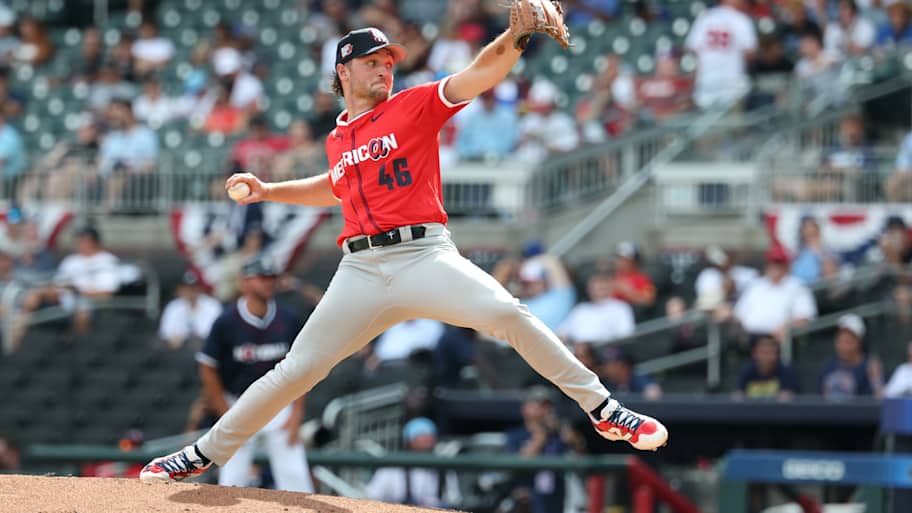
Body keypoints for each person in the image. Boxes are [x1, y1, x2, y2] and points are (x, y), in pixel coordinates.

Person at [141, 24, 667, 484]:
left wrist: (514, 37)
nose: (384, 69)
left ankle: (604, 409)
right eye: (372, 62)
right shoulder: (338, 137)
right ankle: (202, 453)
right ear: (343, 71)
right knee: (295, 370)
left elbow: (480, 74)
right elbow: (336, 184)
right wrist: (269, 190)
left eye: (388, 62)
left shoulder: (413, 105)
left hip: (423, 255)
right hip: (361, 270)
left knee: (507, 313)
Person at [193, 255, 314, 492]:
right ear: (244, 282)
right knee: (231, 480)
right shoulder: (227, 321)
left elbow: (302, 368)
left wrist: (297, 412)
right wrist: (224, 411)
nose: (268, 282)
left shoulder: (288, 318)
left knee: (296, 477)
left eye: (271, 277)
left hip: (279, 405)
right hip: (238, 403)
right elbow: (207, 366)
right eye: (261, 277)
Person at [504, 386, 576, 513]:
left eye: (548, 405)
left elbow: (578, 452)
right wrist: (541, 436)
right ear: (525, 409)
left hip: (556, 498)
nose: (545, 410)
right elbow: (519, 463)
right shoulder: (515, 435)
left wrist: (563, 430)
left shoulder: (558, 434)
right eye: (540, 405)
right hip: (527, 499)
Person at [364, 417, 461, 508]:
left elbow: (454, 501)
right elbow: (371, 498)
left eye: (430, 434)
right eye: (420, 434)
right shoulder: (392, 468)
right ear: (409, 440)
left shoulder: (443, 469)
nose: (427, 438)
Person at [818, 314, 884, 399]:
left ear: (859, 342)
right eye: (840, 340)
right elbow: (818, 400)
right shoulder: (828, 367)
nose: (843, 346)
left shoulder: (870, 367)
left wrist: (876, 380)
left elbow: (878, 401)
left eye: (848, 341)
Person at [158, 271, 222, 350]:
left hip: (205, 348)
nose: (190, 292)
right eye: (186, 288)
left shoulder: (212, 305)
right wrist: (174, 338)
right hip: (178, 350)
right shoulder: (174, 306)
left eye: (193, 288)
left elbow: (216, 334)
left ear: (200, 288)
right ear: (180, 290)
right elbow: (165, 333)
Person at [733, 335, 800, 401]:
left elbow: (791, 397)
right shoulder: (747, 371)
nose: (768, 357)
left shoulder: (786, 372)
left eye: (772, 352)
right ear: (754, 353)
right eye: (764, 352)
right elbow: (738, 394)